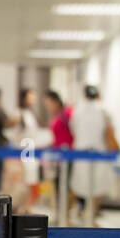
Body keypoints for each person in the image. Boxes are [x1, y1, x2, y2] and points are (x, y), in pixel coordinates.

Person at [69, 85, 118, 225]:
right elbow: (109, 131)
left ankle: (71, 214)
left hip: (81, 153)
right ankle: (91, 216)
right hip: (99, 153)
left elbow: (74, 130)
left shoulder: (77, 111)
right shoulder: (103, 111)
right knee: (97, 186)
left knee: (77, 184)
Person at [43, 90, 74, 222]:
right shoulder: (58, 116)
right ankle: (61, 213)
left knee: (66, 185)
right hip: (57, 156)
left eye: (48, 103)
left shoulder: (67, 114)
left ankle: (65, 214)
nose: (47, 107)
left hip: (68, 156)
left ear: (55, 101)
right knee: (57, 185)